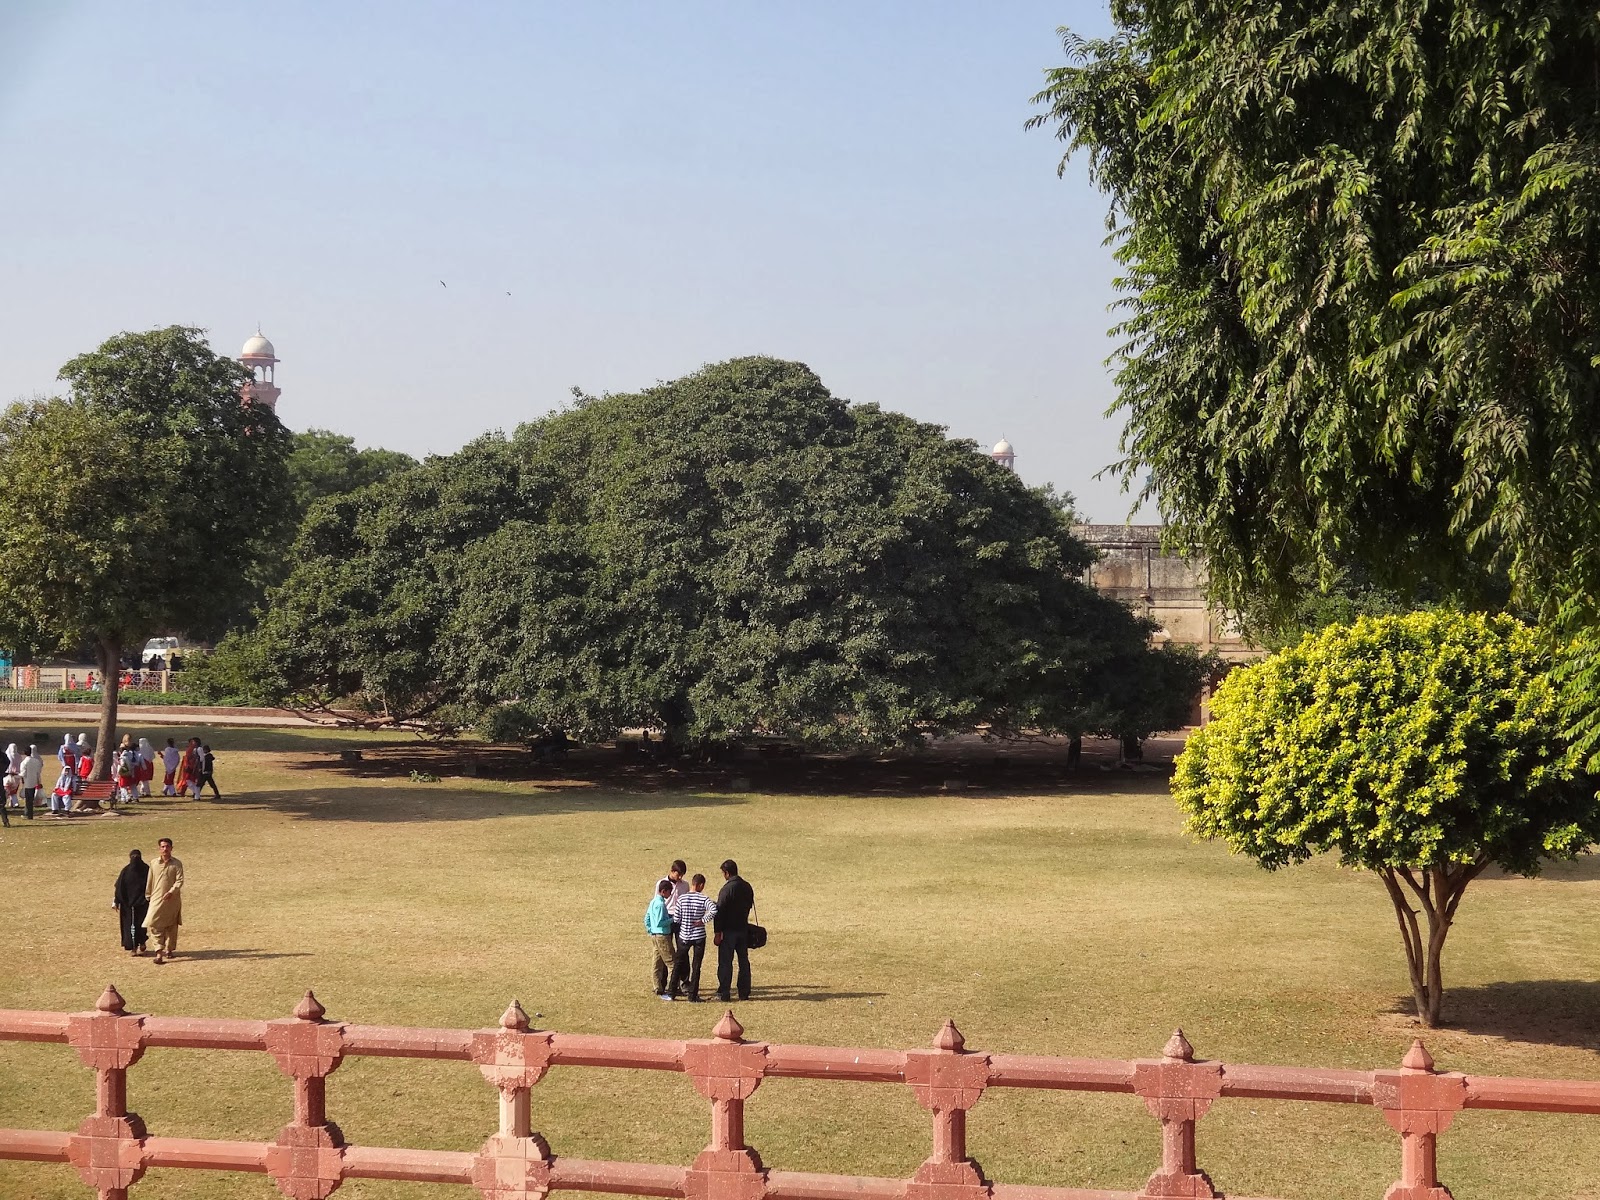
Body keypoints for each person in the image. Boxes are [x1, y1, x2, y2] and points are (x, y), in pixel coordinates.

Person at [714, 859, 756, 1003]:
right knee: (744, 961)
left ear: (727, 873)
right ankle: (744, 992)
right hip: (743, 929)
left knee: (726, 962)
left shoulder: (726, 889)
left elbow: (719, 912)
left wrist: (717, 932)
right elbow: (750, 905)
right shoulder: (747, 886)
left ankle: (724, 992)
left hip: (728, 931)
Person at [671, 873, 717, 1002]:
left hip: (684, 935)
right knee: (696, 966)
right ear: (701, 885)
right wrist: (702, 920)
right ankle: (692, 995)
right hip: (699, 936)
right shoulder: (703, 899)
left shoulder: (681, 899)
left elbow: (676, 918)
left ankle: (672, 992)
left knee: (678, 964)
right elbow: (714, 909)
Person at [143, 837, 183, 964]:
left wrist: (171, 892)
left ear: (171, 848)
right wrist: (148, 895)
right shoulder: (154, 863)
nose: (165, 849)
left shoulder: (177, 864)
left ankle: (170, 949)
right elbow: (150, 879)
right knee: (155, 925)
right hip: (156, 899)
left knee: (171, 926)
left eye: (167, 846)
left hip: (172, 901)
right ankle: (159, 953)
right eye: (163, 847)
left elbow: (179, 880)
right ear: (159, 849)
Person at [644, 879, 676, 1001]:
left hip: (655, 935)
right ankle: (672, 988)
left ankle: (657, 986)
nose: (670, 894)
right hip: (663, 936)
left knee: (657, 962)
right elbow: (660, 922)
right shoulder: (661, 904)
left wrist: (650, 930)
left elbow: (647, 918)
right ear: (663, 891)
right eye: (669, 892)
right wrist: (673, 919)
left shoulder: (653, 902)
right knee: (672, 963)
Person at [114, 849, 150, 955]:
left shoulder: (146, 869)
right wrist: (117, 900)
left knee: (142, 925)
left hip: (143, 903)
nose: (135, 859)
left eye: (137, 857)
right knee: (130, 926)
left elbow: (151, 883)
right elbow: (119, 886)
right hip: (128, 905)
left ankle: (142, 941)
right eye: (133, 857)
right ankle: (133, 947)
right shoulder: (126, 871)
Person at [51, 734, 79, 817]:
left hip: (71, 762)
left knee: (71, 773)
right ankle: (55, 809)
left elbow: (76, 755)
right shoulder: (64, 747)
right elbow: (60, 756)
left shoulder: (73, 746)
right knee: (54, 794)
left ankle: (66, 809)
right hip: (67, 762)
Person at [114, 735, 138, 804]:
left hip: (124, 771)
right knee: (132, 784)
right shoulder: (131, 753)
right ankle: (134, 797)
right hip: (131, 770)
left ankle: (126, 797)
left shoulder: (123, 756)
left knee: (122, 785)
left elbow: (122, 763)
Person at [21, 744, 43, 820]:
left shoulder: (24, 762)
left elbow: (23, 773)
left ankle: (28, 814)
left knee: (28, 799)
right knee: (31, 799)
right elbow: (38, 772)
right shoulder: (36, 761)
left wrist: (17, 775)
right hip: (34, 782)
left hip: (27, 782)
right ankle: (29, 814)